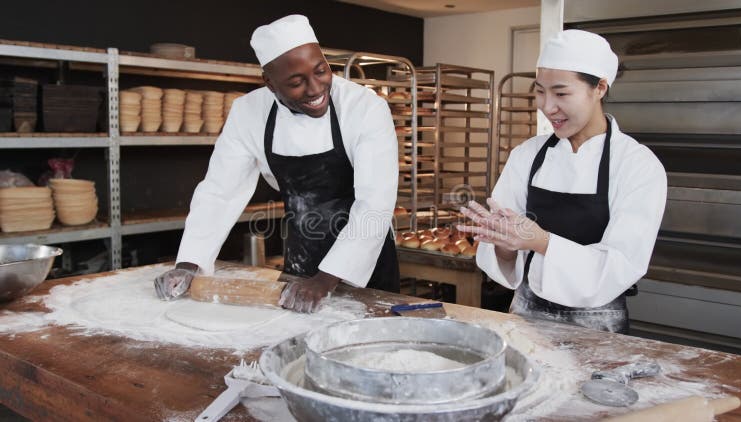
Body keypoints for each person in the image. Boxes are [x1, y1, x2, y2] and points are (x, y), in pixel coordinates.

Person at [153, 15, 400, 312]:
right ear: (269, 83)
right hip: (300, 261)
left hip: (365, 267)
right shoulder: (249, 113)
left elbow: (375, 204)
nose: (315, 89)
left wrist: (324, 281)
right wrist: (189, 264)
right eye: (296, 82)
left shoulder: (364, 108)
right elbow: (220, 192)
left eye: (322, 71)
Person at [457, 30, 667, 333]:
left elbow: (619, 267)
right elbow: (507, 262)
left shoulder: (636, 165)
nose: (547, 105)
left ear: (600, 88)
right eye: (540, 91)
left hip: (599, 328)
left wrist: (541, 242)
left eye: (561, 93)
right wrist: (504, 243)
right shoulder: (526, 155)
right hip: (524, 318)